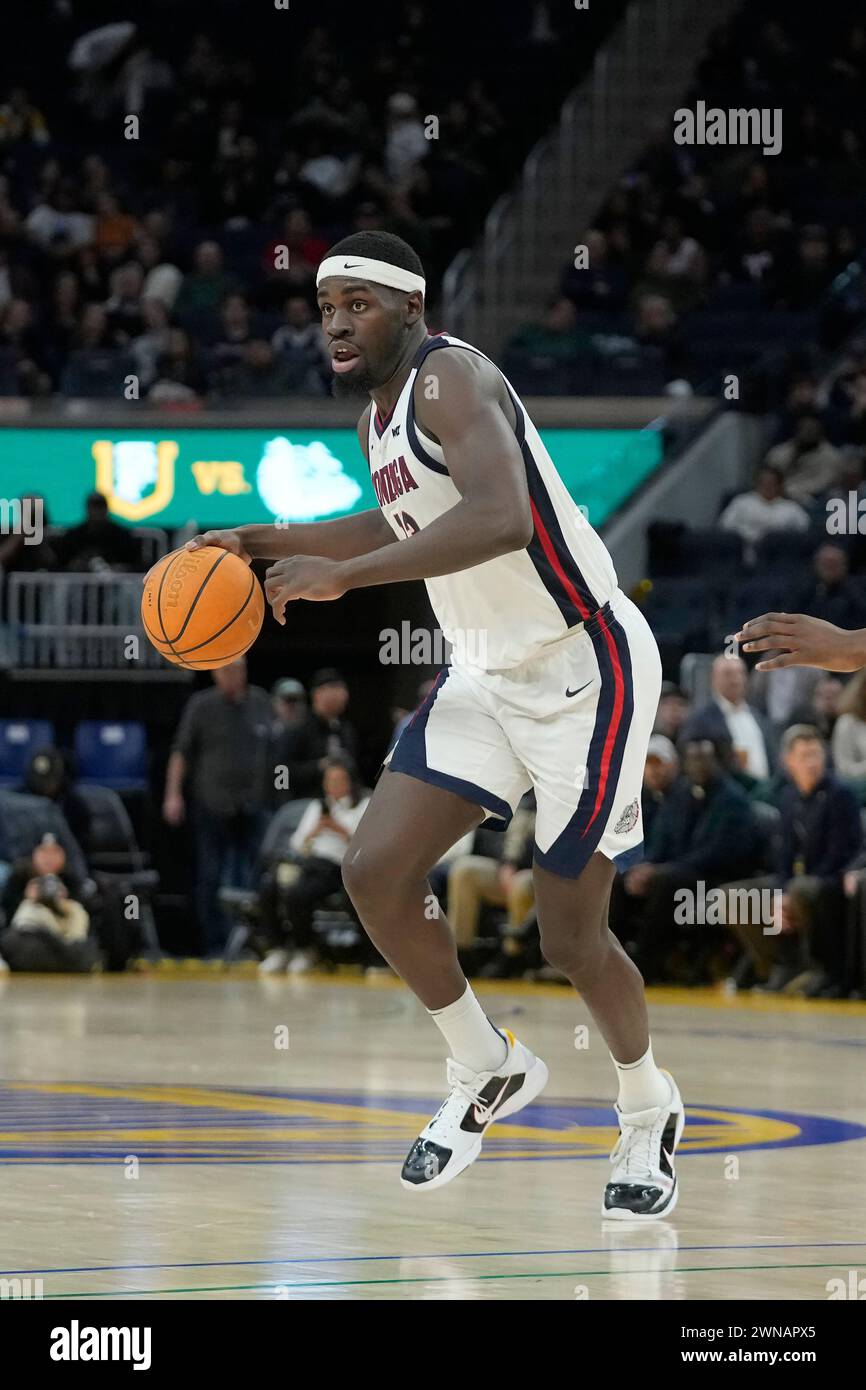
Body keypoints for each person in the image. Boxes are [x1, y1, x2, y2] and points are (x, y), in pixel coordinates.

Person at [186, 229, 677, 1220]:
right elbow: (394, 524)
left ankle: (645, 1107)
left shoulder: (451, 378)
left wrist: (340, 580)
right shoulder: (379, 422)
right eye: (325, 307)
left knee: (568, 937)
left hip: (587, 667)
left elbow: (498, 516)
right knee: (371, 870)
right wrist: (257, 538)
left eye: (357, 304)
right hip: (484, 678)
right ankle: (482, 1064)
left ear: (410, 308)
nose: (335, 322)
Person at [163, 657, 274, 956]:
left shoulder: (261, 702)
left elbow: (277, 746)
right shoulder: (202, 705)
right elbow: (180, 752)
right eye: (227, 670)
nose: (233, 675)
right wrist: (173, 795)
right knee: (210, 876)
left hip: (254, 804)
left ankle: (252, 944)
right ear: (214, 673)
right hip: (212, 803)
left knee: (256, 876)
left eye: (239, 668)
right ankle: (213, 944)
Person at [258, 756, 370, 975]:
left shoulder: (363, 805)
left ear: (350, 781)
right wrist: (315, 830)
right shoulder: (316, 806)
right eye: (329, 781)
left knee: (298, 895)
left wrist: (340, 829)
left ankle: (305, 949)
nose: (334, 786)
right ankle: (278, 948)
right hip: (308, 863)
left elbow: (366, 845)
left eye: (339, 780)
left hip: (337, 868)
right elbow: (297, 843)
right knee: (267, 888)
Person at [684, 654, 775, 782]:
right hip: (725, 797)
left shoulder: (759, 716)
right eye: (728, 674)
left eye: (740, 673)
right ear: (713, 679)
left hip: (765, 794)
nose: (736, 680)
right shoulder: (700, 720)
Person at [279, 668, 358, 798]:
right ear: (318, 694)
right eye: (334, 688)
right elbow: (282, 770)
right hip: (304, 800)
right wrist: (319, 766)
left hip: (339, 802)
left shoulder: (345, 728)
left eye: (343, 689)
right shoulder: (299, 726)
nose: (342, 694)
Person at [53, 491, 142, 572]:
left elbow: (134, 564)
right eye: (94, 507)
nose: (97, 512)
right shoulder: (74, 536)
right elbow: (61, 563)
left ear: (106, 509)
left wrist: (116, 568)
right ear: (88, 509)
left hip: (117, 586)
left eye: (100, 507)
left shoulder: (121, 535)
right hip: (79, 587)